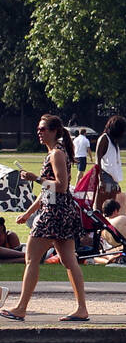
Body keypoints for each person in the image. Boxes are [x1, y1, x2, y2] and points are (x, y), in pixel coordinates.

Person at [1, 115, 90, 322]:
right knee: (69, 261)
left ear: (54, 131)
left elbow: (61, 186)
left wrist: (36, 178)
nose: (39, 132)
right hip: (59, 210)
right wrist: (29, 213)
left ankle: (21, 308)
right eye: (39, 129)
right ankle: (81, 309)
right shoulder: (55, 153)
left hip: (54, 213)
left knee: (31, 258)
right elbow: (47, 191)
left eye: (43, 129)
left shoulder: (57, 154)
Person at [93, 114, 126, 211]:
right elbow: (97, 160)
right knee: (103, 204)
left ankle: (106, 222)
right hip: (105, 176)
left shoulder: (114, 141)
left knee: (110, 205)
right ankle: (96, 220)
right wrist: (100, 179)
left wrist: (116, 181)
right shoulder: (104, 138)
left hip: (113, 179)